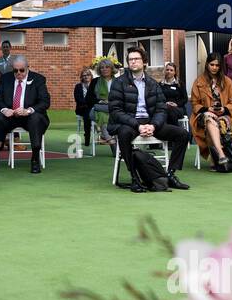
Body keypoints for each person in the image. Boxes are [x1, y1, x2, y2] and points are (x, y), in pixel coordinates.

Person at [107, 47, 189, 192]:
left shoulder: (152, 83)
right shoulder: (119, 83)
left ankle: (169, 174)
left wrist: (154, 125)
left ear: (144, 62)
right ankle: (134, 178)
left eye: (136, 59)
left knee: (183, 134)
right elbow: (115, 111)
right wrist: (137, 126)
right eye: (130, 60)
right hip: (129, 122)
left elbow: (161, 109)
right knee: (124, 134)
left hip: (150, 123)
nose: (133, 62)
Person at [0, 55, 51, 173]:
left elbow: (45, 102)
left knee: (36, 119)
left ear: (28, 68)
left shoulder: (38, 79)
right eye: (15, 70)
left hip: (30, 116)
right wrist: (5, 110)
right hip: (11, 116)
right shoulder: (6, 79)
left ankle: (35, 159)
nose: (18, 73)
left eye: (22, 70)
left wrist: (28, 110)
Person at [190, 53, 232, 171]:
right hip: (203, 115)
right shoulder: (198, 82)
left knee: (221, 121)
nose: (214, 67)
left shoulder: (228, 82)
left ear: (221, 66)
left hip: (224, 114)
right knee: (209, 118)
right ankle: (221, 154)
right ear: (207, 65)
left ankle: (220, 157)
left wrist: (224, 109)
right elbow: (194, 103)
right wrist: (208, 109)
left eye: (217, 65)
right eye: (212, 64)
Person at [91, 58, 116, 143]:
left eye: (107, 67)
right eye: (102, 67)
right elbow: (88, 99)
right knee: (102, 114)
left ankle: (105, 137)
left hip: (113, 107)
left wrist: (111, 102)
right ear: (99, 70)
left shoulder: (118, 81)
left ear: (111, 69)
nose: (104, 69)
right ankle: (110, 139)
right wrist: (101, 101)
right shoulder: (95, 81)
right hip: (98, 109)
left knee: (109, 114)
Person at [73, 67, 98, 147]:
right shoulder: (78, 86)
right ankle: (87, 137)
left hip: (93, 107)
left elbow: (97, 98)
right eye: (84, 75)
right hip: (82, 108)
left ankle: (104, 135)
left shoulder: (95, 85)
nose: (86, 77)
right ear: (81, 77)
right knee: (87, 114)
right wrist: (87, 103)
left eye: (88, 75)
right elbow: (78, 99)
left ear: (91, 76)